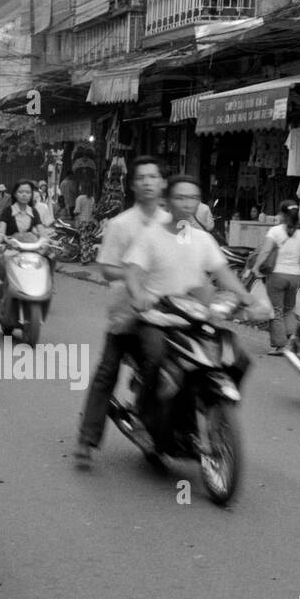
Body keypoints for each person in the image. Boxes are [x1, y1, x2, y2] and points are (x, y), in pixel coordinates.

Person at [123, 175, 257, 452]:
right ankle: (140, 416)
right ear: (167, 201)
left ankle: (217, 412)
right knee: (155, 356)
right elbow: (133, 275)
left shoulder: (203, 239)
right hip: (158, 317)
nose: (187, 203)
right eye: (181, 197)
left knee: (238, 358)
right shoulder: (150, 236)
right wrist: (139, 297)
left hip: (196, 315)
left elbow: (223, 274)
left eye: (193, 198)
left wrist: (245, 297)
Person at [74, 155, 169, 468]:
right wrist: (132, 276)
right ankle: (87, 440)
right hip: (128, 313)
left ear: (162, 183)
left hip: (168, 313)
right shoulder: (120, 224)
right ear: (133, 185)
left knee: (169, 366)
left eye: (152, 176)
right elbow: (106, 269)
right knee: (108, 372)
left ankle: (157, 426)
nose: (147, 182)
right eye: (141, 177)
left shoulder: (173, 224)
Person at [251, 199, 300, 356]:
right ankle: (292, 343)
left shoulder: (275, 231)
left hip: (277, 275)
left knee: (276, 310)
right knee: (289, 310)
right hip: (294, 276)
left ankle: (279, 346)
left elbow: (265, 252)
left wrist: (256, 267)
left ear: (282, 214)